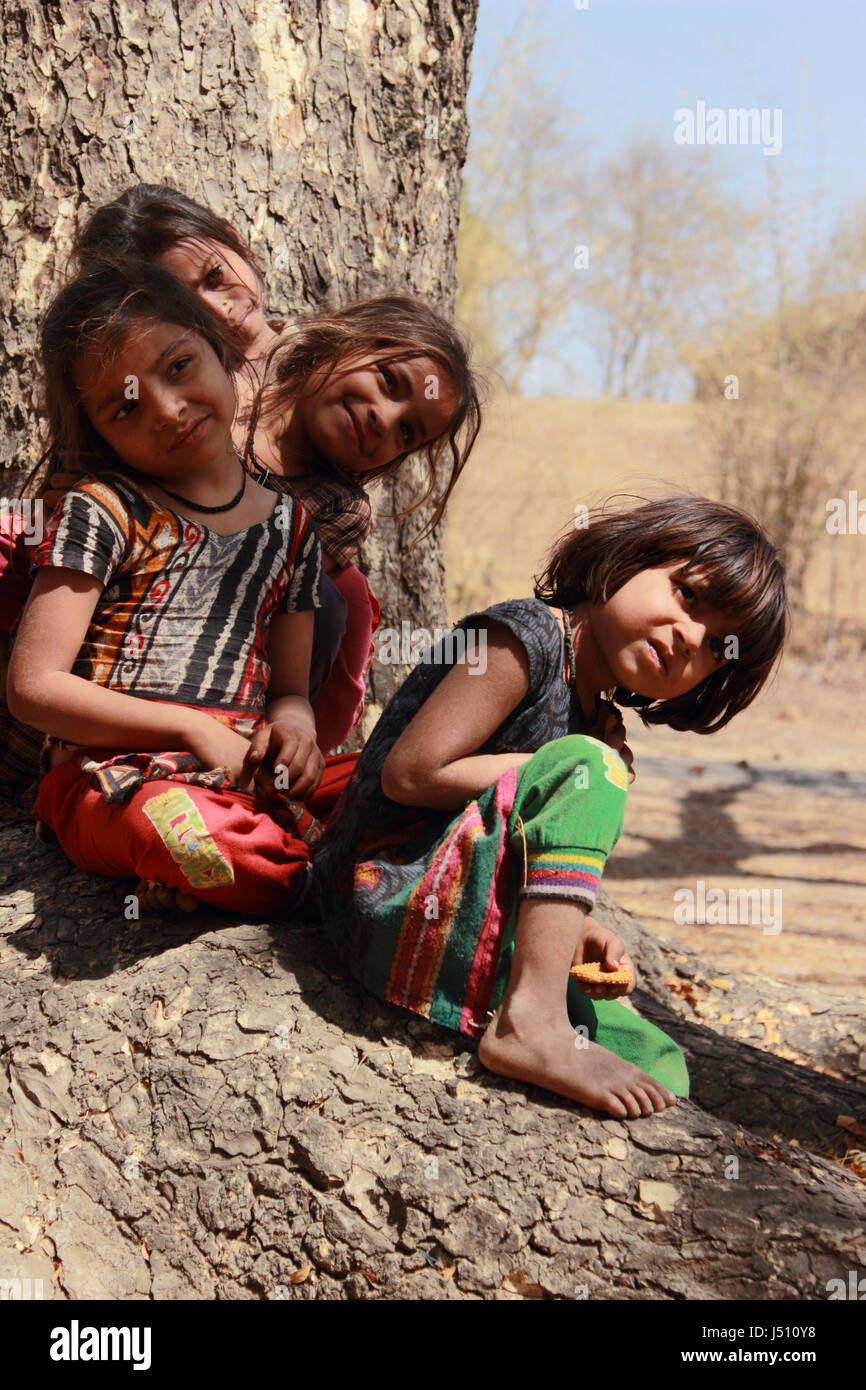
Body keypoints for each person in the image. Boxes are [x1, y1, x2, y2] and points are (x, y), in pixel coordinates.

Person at [311, 497, 789, 1118]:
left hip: (467, 924)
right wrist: (568, 761)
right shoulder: (524, 638)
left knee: (660, 1064)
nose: (689, 637)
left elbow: (510, 835)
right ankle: (529, 1025)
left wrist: (578, 932)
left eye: (713, 647)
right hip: (384, 899)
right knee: (591, 769)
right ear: (628, 559)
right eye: (688, 597)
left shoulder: (597, 720)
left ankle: (536, 1007)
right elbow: (411, 773)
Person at [2, 183, 482, 770]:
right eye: (387, 385)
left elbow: (246, 582)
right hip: (110, 629)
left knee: (337, 601)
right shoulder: (174, 398)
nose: (384, 419)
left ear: (233, 241)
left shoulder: (324, 502)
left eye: (409, 433)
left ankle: (251, 753)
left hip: (221, 681)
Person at [6, 260, 356, 916]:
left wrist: (295, 732)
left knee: (392, 778)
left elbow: (288, 690)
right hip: (110, 780)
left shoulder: (294, 530)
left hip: (250, 775)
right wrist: (193, 730)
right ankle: (333, 887)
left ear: (223, 352)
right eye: (126, 406)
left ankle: (317, 866)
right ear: (100, 432)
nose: (168, 409)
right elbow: (33, 688)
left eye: (178, 366)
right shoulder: (103, 509)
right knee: (175, 832)